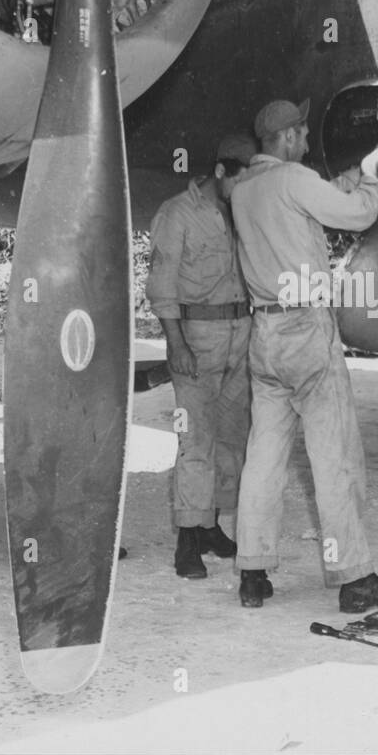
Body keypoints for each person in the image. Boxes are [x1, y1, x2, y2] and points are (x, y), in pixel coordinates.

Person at [230, 98, 378, 612]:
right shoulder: (293, 177)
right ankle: (355, 579)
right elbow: (355, 215)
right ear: (286, 138)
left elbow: (314, 205)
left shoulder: (244, 190)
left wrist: (354, 173)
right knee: (335, 457)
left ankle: (253, 572)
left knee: (263, 459)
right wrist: (373, 177)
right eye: (304, 134)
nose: (308, 143)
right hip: (307, 330)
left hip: (265, 334)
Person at [146, 133, 257, 578]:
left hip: (240, 336)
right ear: (219, 172)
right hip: (197, 337)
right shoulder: (177, 214)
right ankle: (187, 541)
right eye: (239, 182)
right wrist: (176, 344)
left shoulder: (240, 212)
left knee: (232, 441)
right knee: (196, 441)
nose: (243, 193)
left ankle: (210, 524)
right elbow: (161, 287)